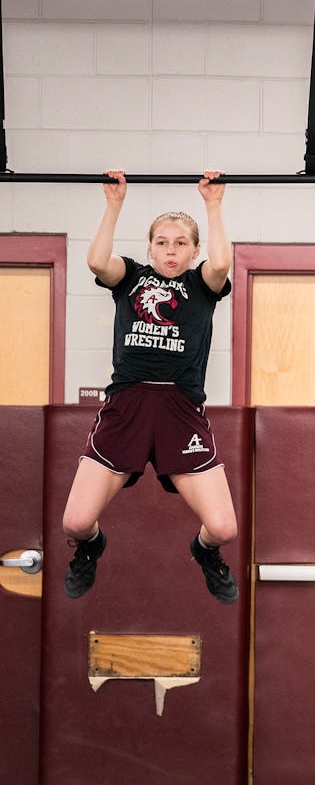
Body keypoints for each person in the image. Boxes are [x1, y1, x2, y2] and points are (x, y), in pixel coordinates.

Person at [60, 170, 240, 604]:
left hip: (180, 410)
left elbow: (221, 263)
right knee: (75, 523)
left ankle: (204, 553)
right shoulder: (133, 277)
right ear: (150, 248)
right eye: (162, 242)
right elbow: (97, 262)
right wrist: (114, 205)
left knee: (223, 528)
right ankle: (91, 547)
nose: (171, 250)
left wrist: (213, 207)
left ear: (193, 249)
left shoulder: (202, 285)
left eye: (180, 243)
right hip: (128, 405)